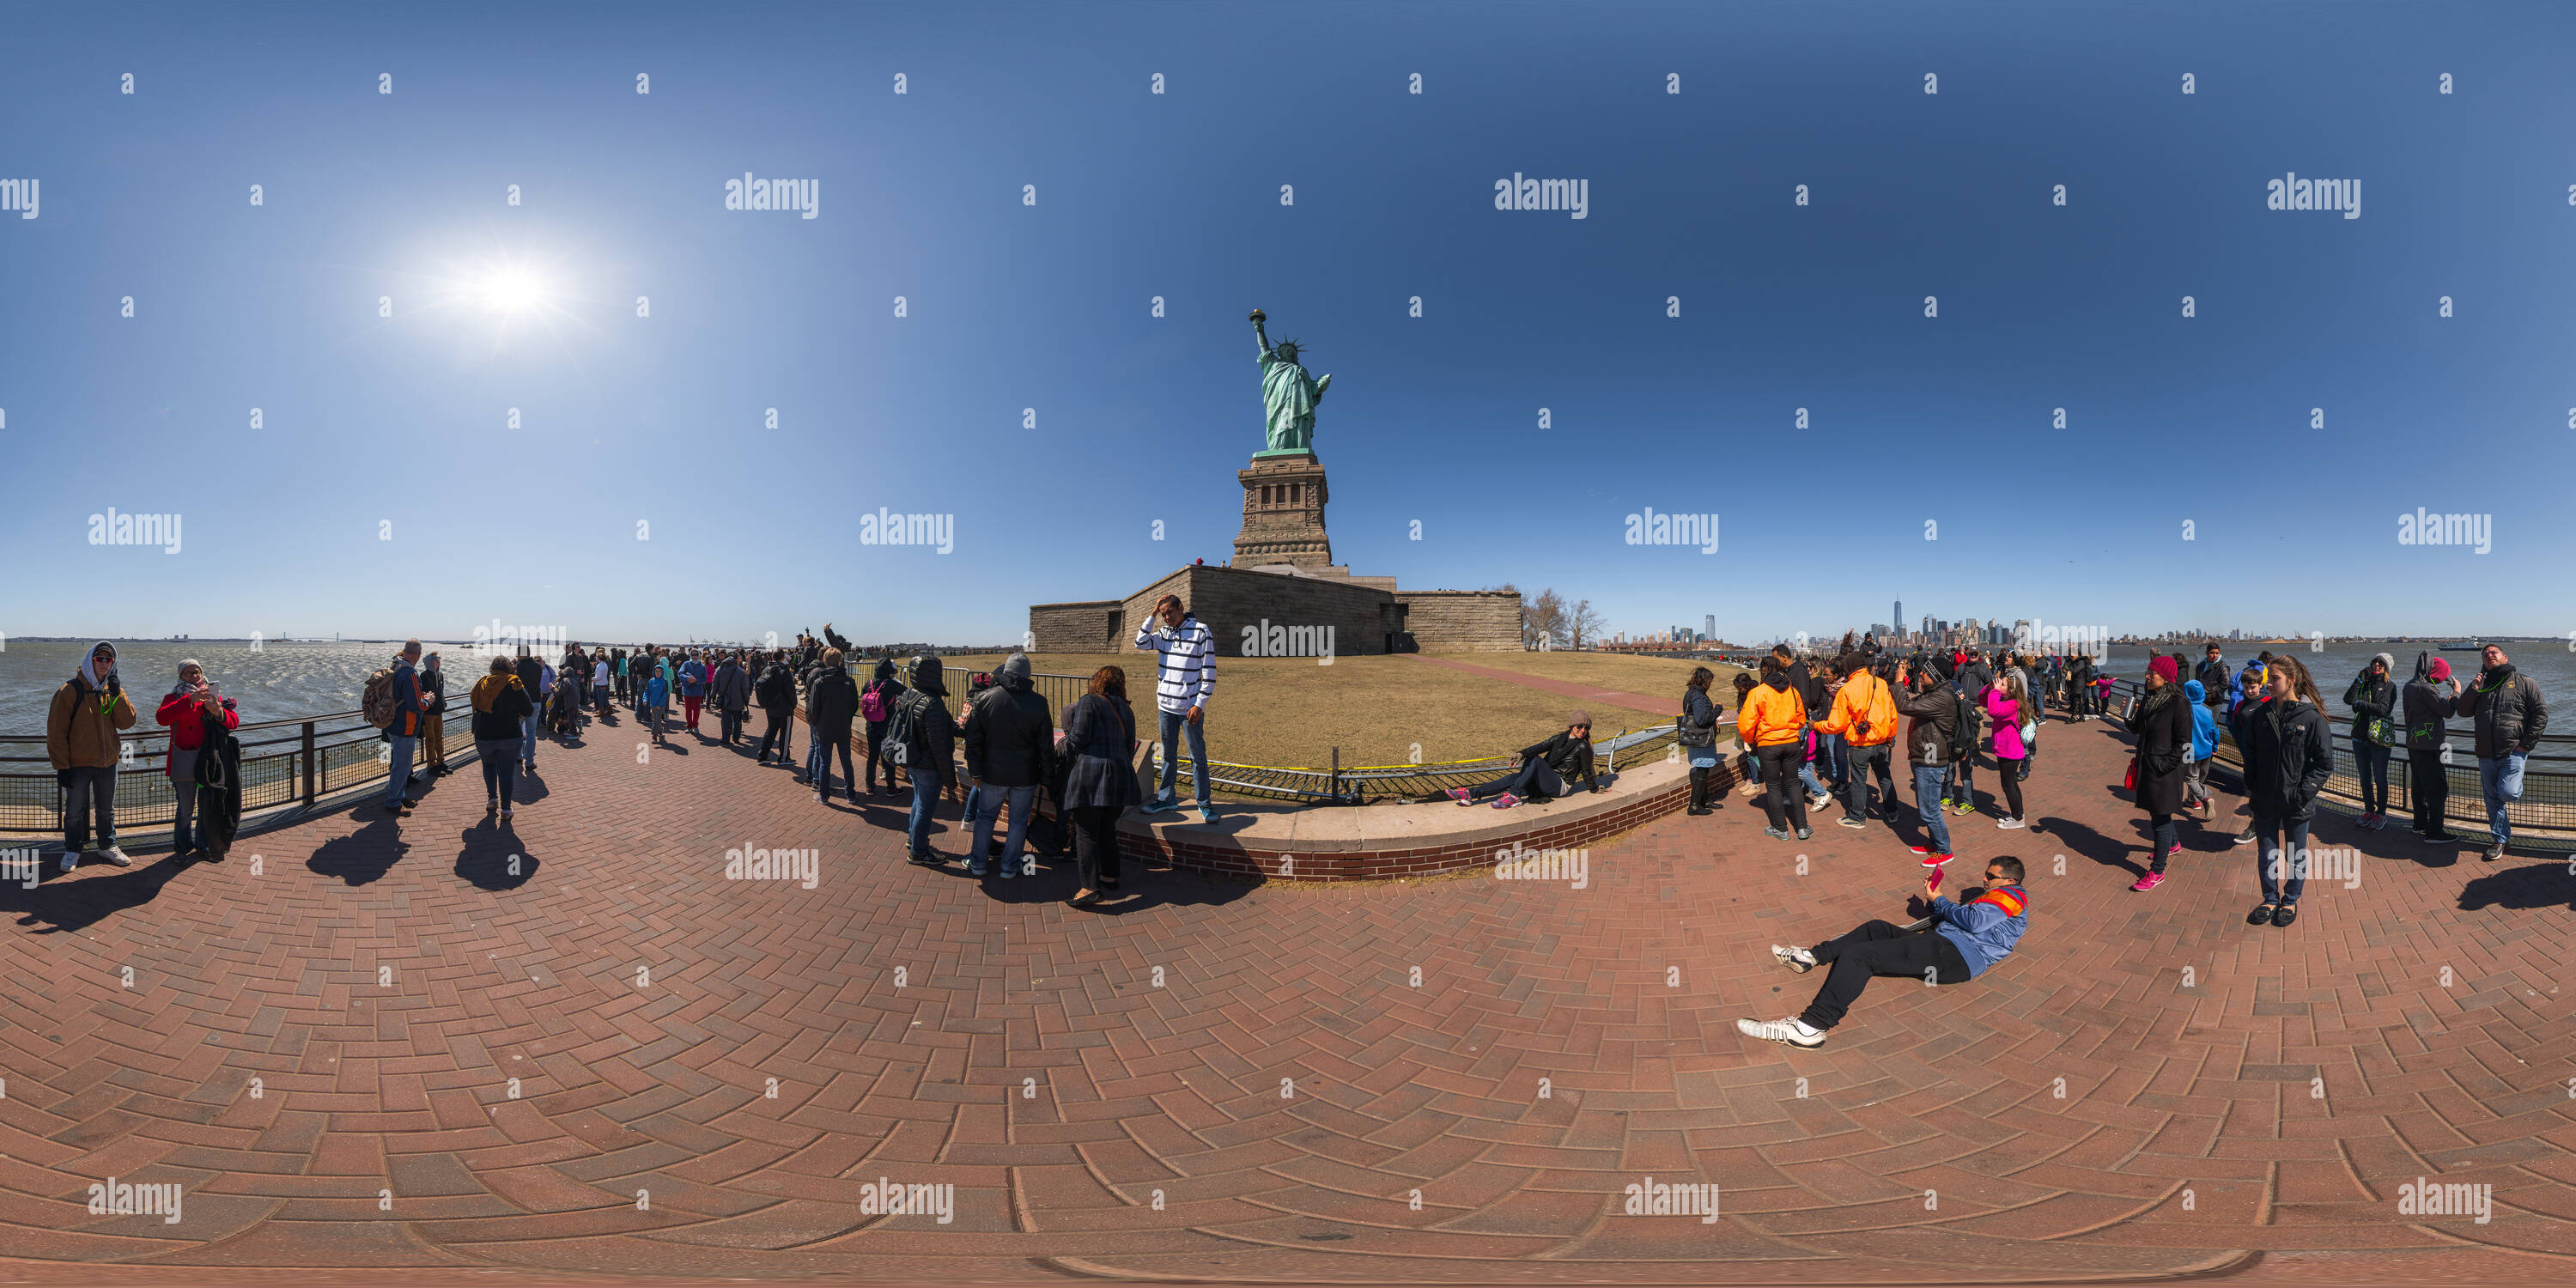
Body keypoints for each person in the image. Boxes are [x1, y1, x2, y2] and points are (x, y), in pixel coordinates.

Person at [1739, 856, 2029, 1048]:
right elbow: (1960, 920)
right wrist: (1934, 897)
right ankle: (1812, 957)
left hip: (1958, 955)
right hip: (1945, 947)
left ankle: (1810, 1028)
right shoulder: (1997, 896)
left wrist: (1939, 900)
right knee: (1876, 928)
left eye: (1990, 876)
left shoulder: (2012, 896)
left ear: (2009, 880)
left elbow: (1973, 923)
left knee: (1860, 957)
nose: (1984, 879)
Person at [2243, 655, 2333, 927]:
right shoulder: (2260, 715)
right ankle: (2270, 898)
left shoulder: (2311, 719)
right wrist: (2254, 785)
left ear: (2291, 681)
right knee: (2267, 853)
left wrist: (2301, 793)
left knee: (2296, 855)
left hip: (2297, 803)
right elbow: (2251, 755)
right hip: (2264, 800)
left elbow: (2324, 764)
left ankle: (2290, 899)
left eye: (2275, 678)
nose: (2268, 683)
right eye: (2268, 677)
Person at [963, 653, 1054, 879]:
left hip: (992, 772)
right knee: (1018, 820)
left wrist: (975, 770)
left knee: (986, 817)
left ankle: (978, 862)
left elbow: (974, 739)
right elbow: (1045, 745)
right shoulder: (1039, 702)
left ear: (1005, 672)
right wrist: (1047, 776)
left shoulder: (985, 698)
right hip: (1025, 774)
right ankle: (1010, 865)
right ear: (1028, 675)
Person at [49, 641, 139, 870]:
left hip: (108, 762)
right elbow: (56, 732)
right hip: (77, 765)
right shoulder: (69, 691)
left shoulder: (112, 691)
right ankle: (72, 849)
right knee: (74, 812)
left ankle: (107, 845)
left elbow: (127, 722)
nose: (104, 663)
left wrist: (118, 694)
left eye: (109, 660)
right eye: (100, 658)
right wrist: (62, 767)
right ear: (91, 660)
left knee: (106, 809)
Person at [2454, 643, 2547, 862]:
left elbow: (2541, 714)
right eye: (2485, 655)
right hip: (2485, 754)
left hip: (2513, 751)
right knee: (2492, 801)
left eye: (2494, 653)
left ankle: (2508, 794)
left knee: (2507, 792)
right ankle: (2500, 840)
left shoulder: (2524, 682)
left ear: (2505, 657)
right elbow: (2462, 711)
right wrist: (2473, 688)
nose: (2489, 656)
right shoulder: (2482, 684)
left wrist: (2525, 745)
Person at [1061, 665, 1143, 908]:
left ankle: (1089, 888)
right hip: (1121, 777)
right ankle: (1110, 875)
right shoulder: (1126, 711)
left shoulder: (1090, 702)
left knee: (1086, 832)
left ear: (1098, 681)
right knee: (1108, 829)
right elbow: (1130, 748)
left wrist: (1061, 747)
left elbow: (1078, 739)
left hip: (1092, 775)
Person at [1136, 594, 1218, 823]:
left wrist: (1199, 704)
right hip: (1165, 706)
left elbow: (1209, 672)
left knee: (1197, 757)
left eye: (1170, 612)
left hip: (1189, 708)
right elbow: (1140, 642)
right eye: (1163, 614)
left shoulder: (1201, 631)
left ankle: (1204, 803)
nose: (1167, 617)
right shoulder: (1163, 634)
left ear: (1181, 608)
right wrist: (1152, 613)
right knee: (1168, 756)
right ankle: (1167, 798)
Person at [155, 659, 238, 860]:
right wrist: (188, 701)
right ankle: (182, 848)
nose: (194, 676)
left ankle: (203, 845)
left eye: (197, 672)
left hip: (208, 762)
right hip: (183, 760)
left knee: (206, 806)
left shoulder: (212, 696)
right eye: (188, 673)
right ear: (181, 676)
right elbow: (162, 718)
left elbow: (233, 723)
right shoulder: (173, 697)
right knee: (185, 808)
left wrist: (218, 710)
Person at [2127, 656, 2192, 891]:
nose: (2147, 676)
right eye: (2148, 672)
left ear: (2165, 678)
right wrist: (2129, 713)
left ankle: (2157, 871)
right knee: (2158, 815)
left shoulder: (2179, 703)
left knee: (2160, 820)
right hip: (2148, 767)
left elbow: (2185, 744)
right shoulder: (2150, 699)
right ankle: (2173, 845)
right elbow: (2136, 729)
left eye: (2152, 673)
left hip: (2165, 772)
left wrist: (2165, 766)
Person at [1815, 655, 1899, 830]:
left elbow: (1836, 725)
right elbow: (1892, 715)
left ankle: (1857, 817)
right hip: (1881, 741)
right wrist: (1890, 738)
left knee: (1859, 780)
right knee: (1884, 777)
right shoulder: (1881, 684)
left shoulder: (1846, 690)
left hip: (1859, 744)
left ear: (1848, 669)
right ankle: (1892, 812)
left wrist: (1816, 725)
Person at [1446, 714, 1601, 808]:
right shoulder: (1560, 738)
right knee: (1514, 778)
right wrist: (1520, 754)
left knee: (1533, 761)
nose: (1583, 730)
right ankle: (1470, 794)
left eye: (1586, 728)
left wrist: (1594, 788)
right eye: (1579, 726)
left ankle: (1514, 796)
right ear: (1572, 726)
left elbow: (1586, 770)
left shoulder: (1583, 747)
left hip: (1560, 785)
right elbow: (1541, 746)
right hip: (1547, 779)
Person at [1893, 658, 1959, 867]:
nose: (1920, 675)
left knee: (1929, 810)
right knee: (1927, 806)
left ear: (1937, 677)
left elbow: (1905, 705)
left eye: (1925, 673)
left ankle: (1944, 850)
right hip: (1926, 754)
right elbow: (1914, 704)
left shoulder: (1942, 698)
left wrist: (1899, 682)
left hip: (1931, 758)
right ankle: (1934, 843)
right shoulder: (1936, 692)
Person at [893, 655, 961, 864]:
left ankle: (914, 839)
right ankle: (919, 852)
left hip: (912, 759)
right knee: (925, 807)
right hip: (928, 764)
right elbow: (939, 745)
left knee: (918, 801)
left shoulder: (908, 694)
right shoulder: (933, 704)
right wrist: (950, 779)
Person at [1741, 659, 1814, 841]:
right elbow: (1801, 718)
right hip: (1790, 742)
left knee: (1773, 786)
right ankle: (1803, 827)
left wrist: (1752, 741)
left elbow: (1745, 724)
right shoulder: (1792, 691)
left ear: (1763, 672)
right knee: (1793, 783)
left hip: (1768, 744)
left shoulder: (1758, 693)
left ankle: (1781, 829)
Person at [2402, 652, 2462, 843]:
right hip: (2430, 746)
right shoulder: (2426, 688)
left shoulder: (2410, 686)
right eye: (2444, 674)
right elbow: (2448, 712)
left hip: (2413, 743)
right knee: (2438, 788)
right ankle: (2435, 832)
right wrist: (2457, 692)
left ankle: (2419, 824)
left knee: (2419, 785)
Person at [471, 655, 535, 819]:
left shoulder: (482, 683)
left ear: (492, 668)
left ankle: (492, 799)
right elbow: (528, 710)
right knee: (506, 773)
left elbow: (475, 704)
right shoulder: (514, 683)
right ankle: (506, 810)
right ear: (509, 668)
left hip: (484, 735)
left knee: (488, 766)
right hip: (509, 735)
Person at [2342, 653, 2398, 830]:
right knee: (2364, 778)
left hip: (2379, 739)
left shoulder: (2390, 686)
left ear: (2386, 667)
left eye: (2381, 663)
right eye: (2374, 661)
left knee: (2380, 778)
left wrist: (2360, 705)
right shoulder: (2364, 683)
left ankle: (2381, 813)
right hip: (2359, 737)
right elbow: (2348, 700)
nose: (2376, 664)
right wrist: (2359, 679)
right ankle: (2368, 810)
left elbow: (2382, 710)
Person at [378, 641, 428, 817]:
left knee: (400, 764)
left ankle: (399, 796)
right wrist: (428, 700)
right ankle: (393, 802)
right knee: (402, 766)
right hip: (405, 726)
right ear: (418, 654)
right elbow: (416, 705)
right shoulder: (410, 674)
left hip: (391, 724)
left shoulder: (395, 667)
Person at [806, 648, 860, 802]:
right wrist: (845, 719)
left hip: (825, 728)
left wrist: (818, 723)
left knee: (825, 763)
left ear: (825, 661)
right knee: (846, 762)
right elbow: (853, 705)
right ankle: (851, 795)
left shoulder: (821, 682)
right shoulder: (849, 681)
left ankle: (824, 796)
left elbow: (813, 708)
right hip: (842, 726)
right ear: (839, 661)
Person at [1678, 667, 1723, 816]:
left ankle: (1705, 800)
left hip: (1696, 737)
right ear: (1704, 681)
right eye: (1709, 680)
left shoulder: (1692, 693)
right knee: (1702, 770)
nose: (1710, 684)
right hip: (1700, 738)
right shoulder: (1698, 696)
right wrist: (1717, 710)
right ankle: (1694, 805)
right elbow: (1702, 719)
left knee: (1703, 769)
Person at [861, 658, 907, 795]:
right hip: (887, 726)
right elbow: (907, 693)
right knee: (888, 757)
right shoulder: (891, 684)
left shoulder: (868, 684)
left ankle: (869, 786)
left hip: (871, 725)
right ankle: (891, 787)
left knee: (872, 757)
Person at [754, 651, 798, 766]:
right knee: (785, 733)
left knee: (771, 731)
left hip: (770, 706)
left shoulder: (766, 670)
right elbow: (791, 691)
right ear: (783, 658)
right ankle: (784, 757)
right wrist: (794, 704)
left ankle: (762, 755)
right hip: (784, 707)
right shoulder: (784, 671)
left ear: (772, 657)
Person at [2183, 678, 2219, 817]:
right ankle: (2193, 801)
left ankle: (2206, 798)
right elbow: (2214, 731)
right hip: (2207, 749)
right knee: (2201, 777)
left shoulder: (2185, 710)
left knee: (2191, 779)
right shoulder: (2207, 710)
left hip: (2189, 749)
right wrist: (2215, 746)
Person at [513, 647, 545, 770]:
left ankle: (518, 756)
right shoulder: (538, 666)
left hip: (520, 703)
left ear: (521, 655)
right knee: (531, 733)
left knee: (518, 732)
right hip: (535, 701)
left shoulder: (517, 667)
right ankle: (529, 761)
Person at [711, 651, 750, 746]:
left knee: (725, 721)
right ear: (736, 658)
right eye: (739, 656)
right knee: (737, 721)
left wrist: (713, 695)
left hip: (724, 699)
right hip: (738, 700)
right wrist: (746, 699)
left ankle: (725, 738)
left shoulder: (720, 669)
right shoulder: (740, 671)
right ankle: (736, 738)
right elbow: (745, 688)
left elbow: (714, 683)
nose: (741, 657)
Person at [678, 651, 708, 734]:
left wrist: (696, 681)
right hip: (687, 691)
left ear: (699, 655)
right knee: (688, 710)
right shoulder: (686, 664)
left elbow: (704, 679)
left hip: (698, 692)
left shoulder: (702, 666)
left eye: (696, 655)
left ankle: (695, 726)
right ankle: (689, 726)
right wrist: (688, 678)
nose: (694, 656)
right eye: (693, 655)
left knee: (696, 710)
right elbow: (680, 674)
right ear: (690, 655)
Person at [642, 664, 671, 747]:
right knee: (656, 719)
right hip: (653, 704)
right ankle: (660, 729)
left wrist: (660, 704)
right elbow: (646, 691)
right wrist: (645, 699)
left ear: (662, 672)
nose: (658, 673)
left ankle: (654, 736)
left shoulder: (664, 681)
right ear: (654, 671)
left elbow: (665, 694)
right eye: (656, 671)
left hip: (660, 705)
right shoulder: (651, 681)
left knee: (656, 720)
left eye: (660, 671)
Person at [592, 651, 613, 717]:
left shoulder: (599, 665)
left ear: (599, 658)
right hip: (604, 683)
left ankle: (601, 712)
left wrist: (593, 679)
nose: (596, 659)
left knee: (600, 699)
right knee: (604, 698)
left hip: (600, 684)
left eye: (597, 658)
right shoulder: (605, 664)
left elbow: (599, 677)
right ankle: (609, 710)